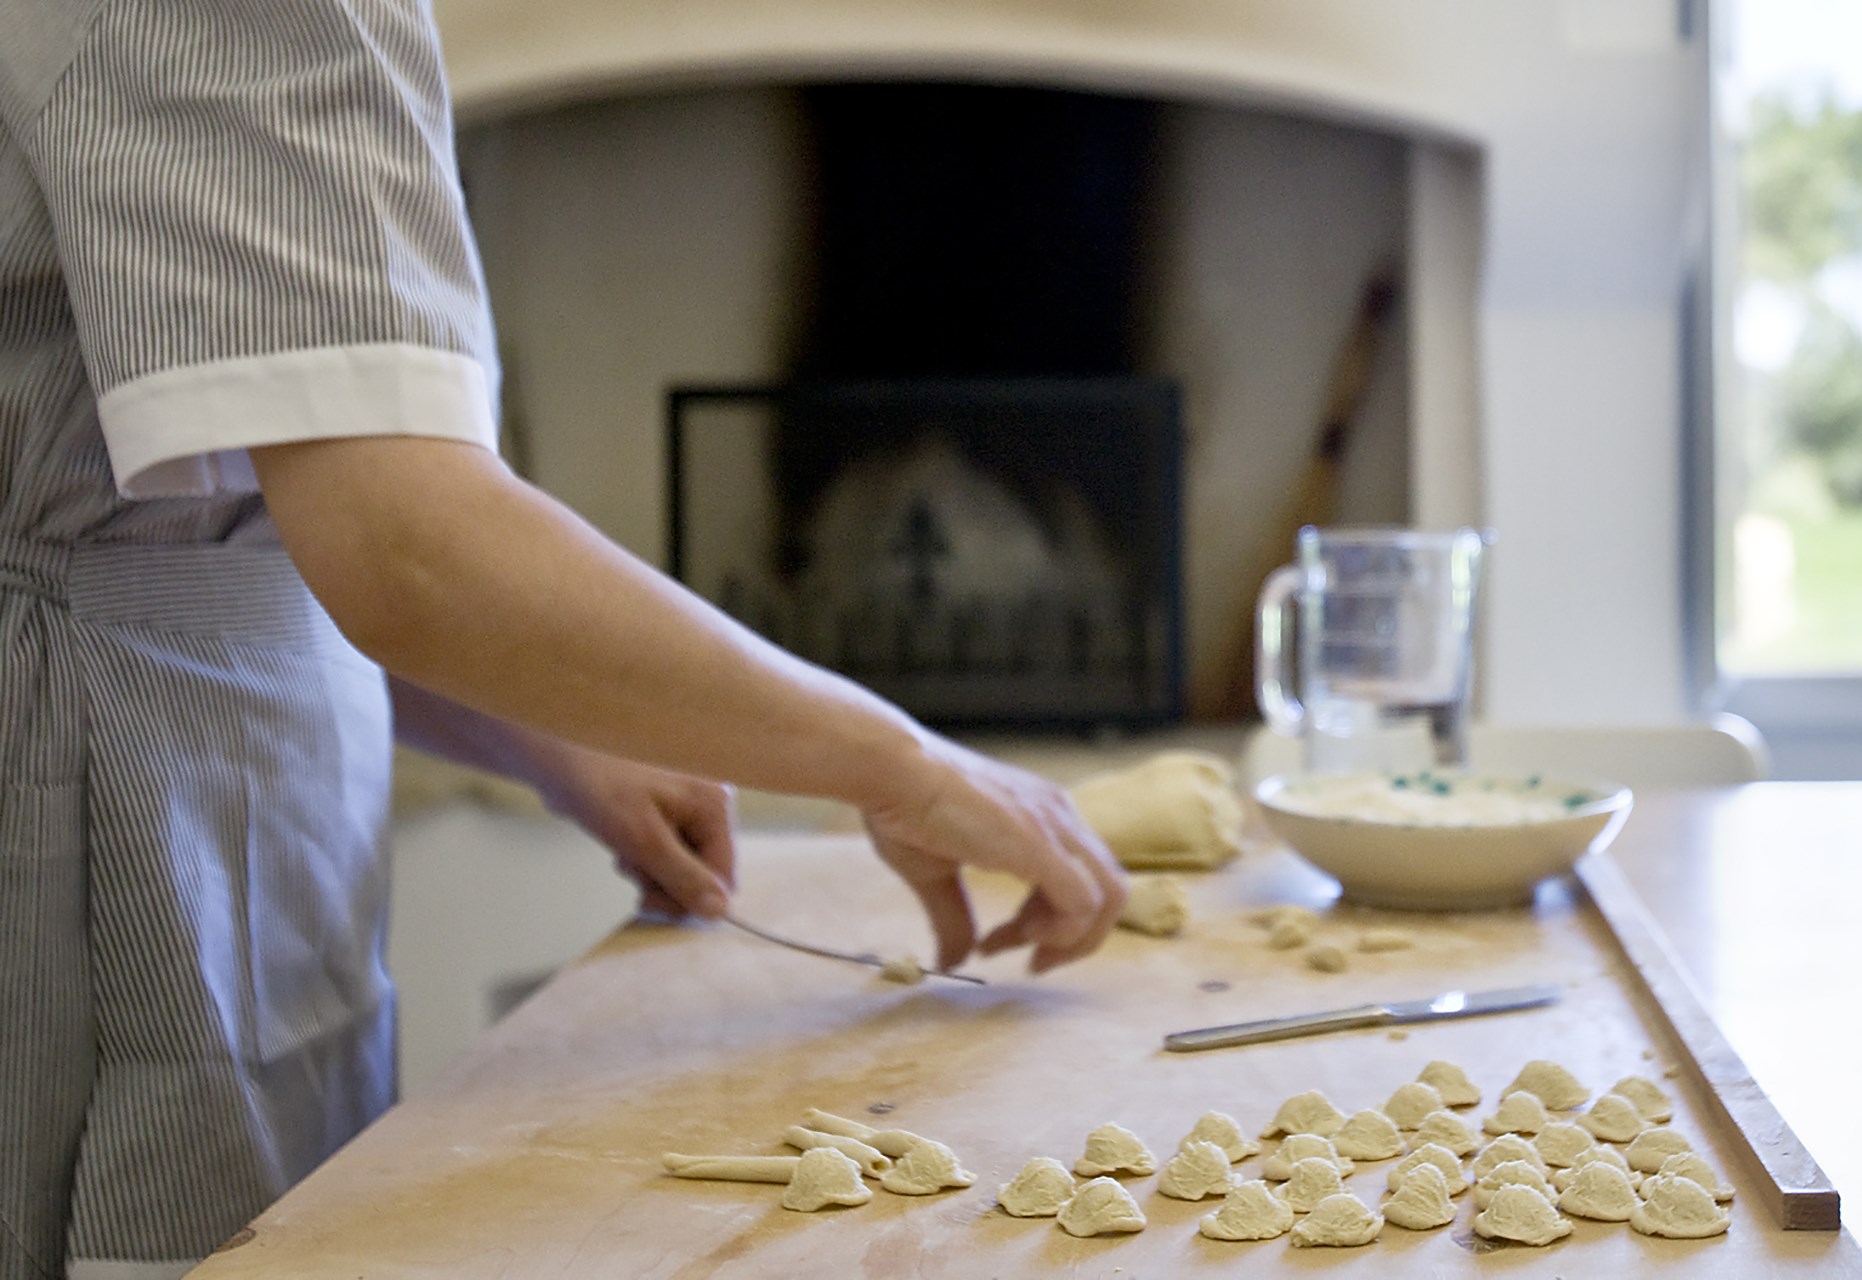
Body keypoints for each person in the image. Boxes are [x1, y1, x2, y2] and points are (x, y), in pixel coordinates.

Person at [0, 3, 1127, 1276]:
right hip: (88, 859)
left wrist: (543, 723)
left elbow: (221, 521)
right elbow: (407, 543)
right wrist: (904, 761)